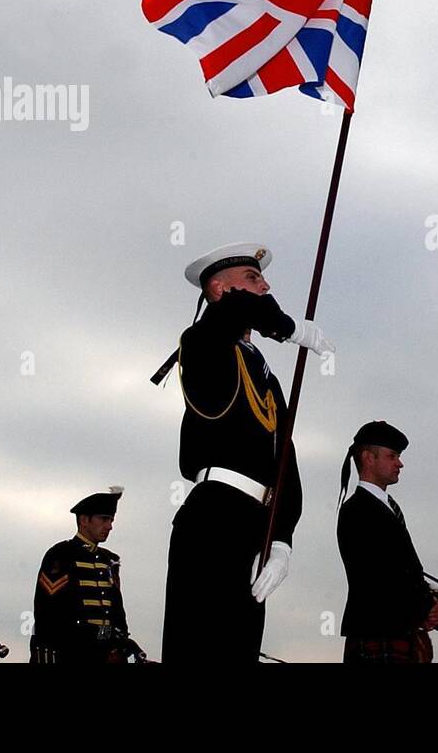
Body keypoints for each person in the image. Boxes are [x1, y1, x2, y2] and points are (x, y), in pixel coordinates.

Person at [157, 242, 333, 663]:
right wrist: (291, 328)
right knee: (200, 649)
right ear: (219, 289)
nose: (266, 286)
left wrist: (282, 539)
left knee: (240, 651)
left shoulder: (263, 373)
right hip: (214, 516)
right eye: (253, 279)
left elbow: (283, 456)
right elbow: (235, 314)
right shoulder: (203, 343)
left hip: (256, 524)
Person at [336, 421, 438, 663]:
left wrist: (426, 604)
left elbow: (404, 569)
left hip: (394, 630)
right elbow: (384, 572)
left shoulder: (385, 507)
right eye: (392, 455)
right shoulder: (357, 510)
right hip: (376, 630)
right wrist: (426, 605)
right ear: (368, 458)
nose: (400, 463)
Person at [31, 486, 148, 663]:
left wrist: (120, 643)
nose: (109, 526)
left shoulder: (109, 559)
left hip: (106, 651)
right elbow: (47, 611)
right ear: (84, 520)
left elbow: (116, 609)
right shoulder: (61, 554)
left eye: (111, 520)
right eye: (104, 519)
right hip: (71, 651)